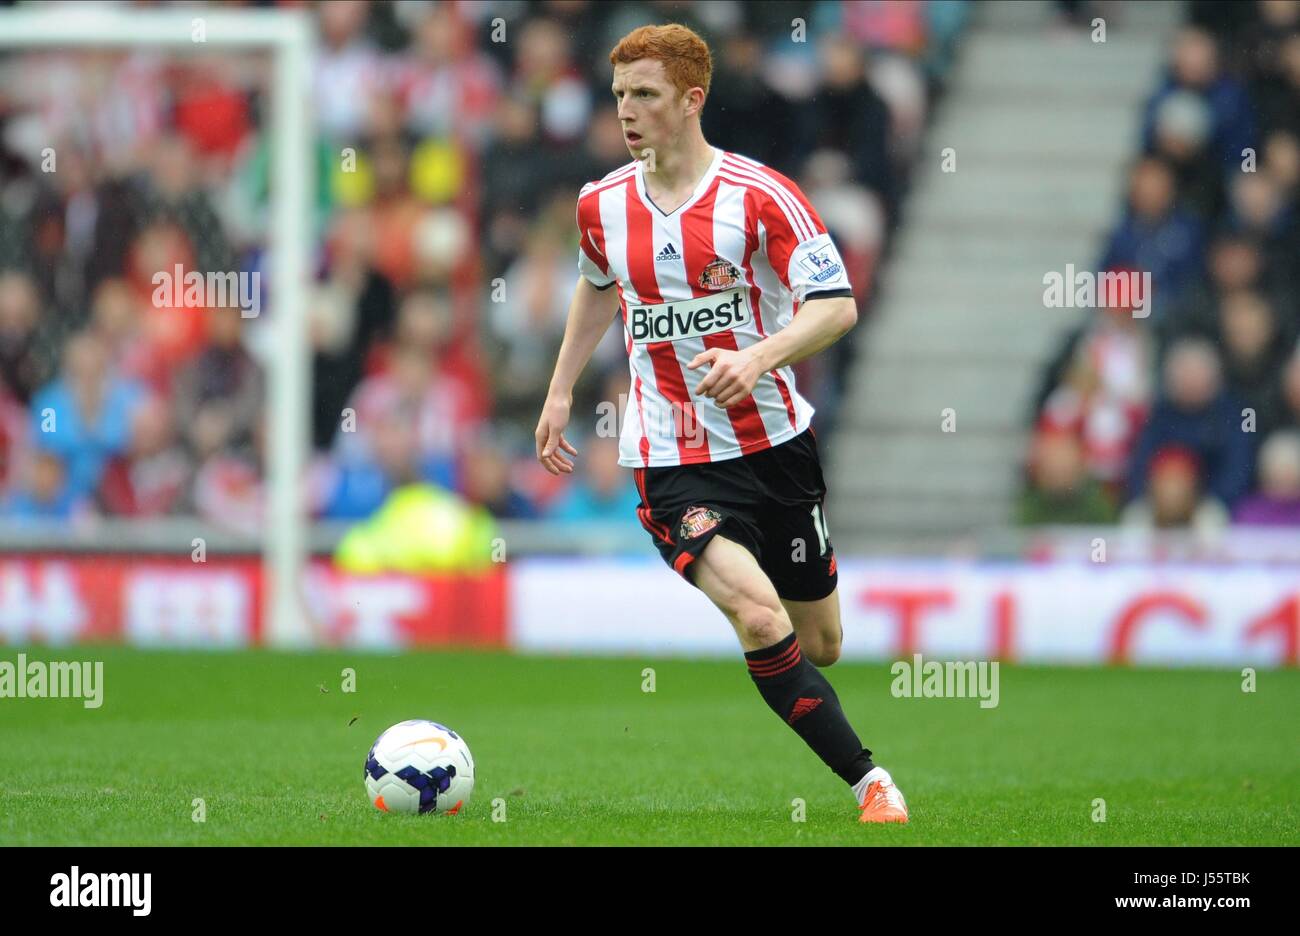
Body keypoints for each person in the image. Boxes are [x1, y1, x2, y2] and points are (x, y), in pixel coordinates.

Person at [533, 24, 906, 824]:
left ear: (692, 100)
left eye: (646, 96)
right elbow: (598, 284)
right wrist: (561, 388)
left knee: (822, 640)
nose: (627, 112)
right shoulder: (601, 203)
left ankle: (803, 692)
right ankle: (870, 783)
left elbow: (836, 306)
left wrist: (760, 357)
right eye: (620, 96)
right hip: (670, 456)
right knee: (759, 614)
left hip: (776, 443)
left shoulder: (761, 196)